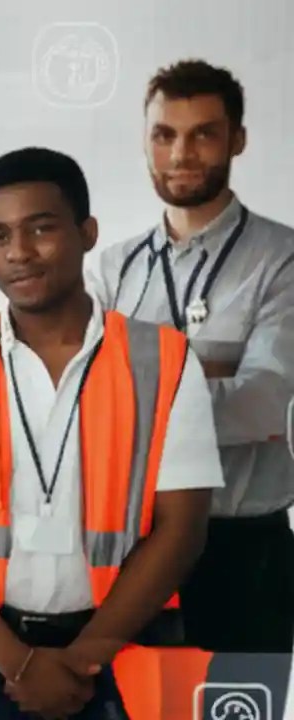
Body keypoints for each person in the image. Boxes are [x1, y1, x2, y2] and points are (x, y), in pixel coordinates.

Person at [0, 147, 224, 719]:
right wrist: (19, 663)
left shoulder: (162, 361)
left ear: (87, 232)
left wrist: (80, 661)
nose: (18, 252)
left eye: (41, 228)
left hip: (120, 665)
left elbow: (183, 528)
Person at [86, 59, 294, 708]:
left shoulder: (282, 259)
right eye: (164, 135)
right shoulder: (112, 269)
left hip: (243, 556)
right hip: (127, 550)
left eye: (204, 133)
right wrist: (210, 374)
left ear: (238, 140)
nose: (181, 154)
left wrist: (135, 387)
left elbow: (264, 403)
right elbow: (80, 401)